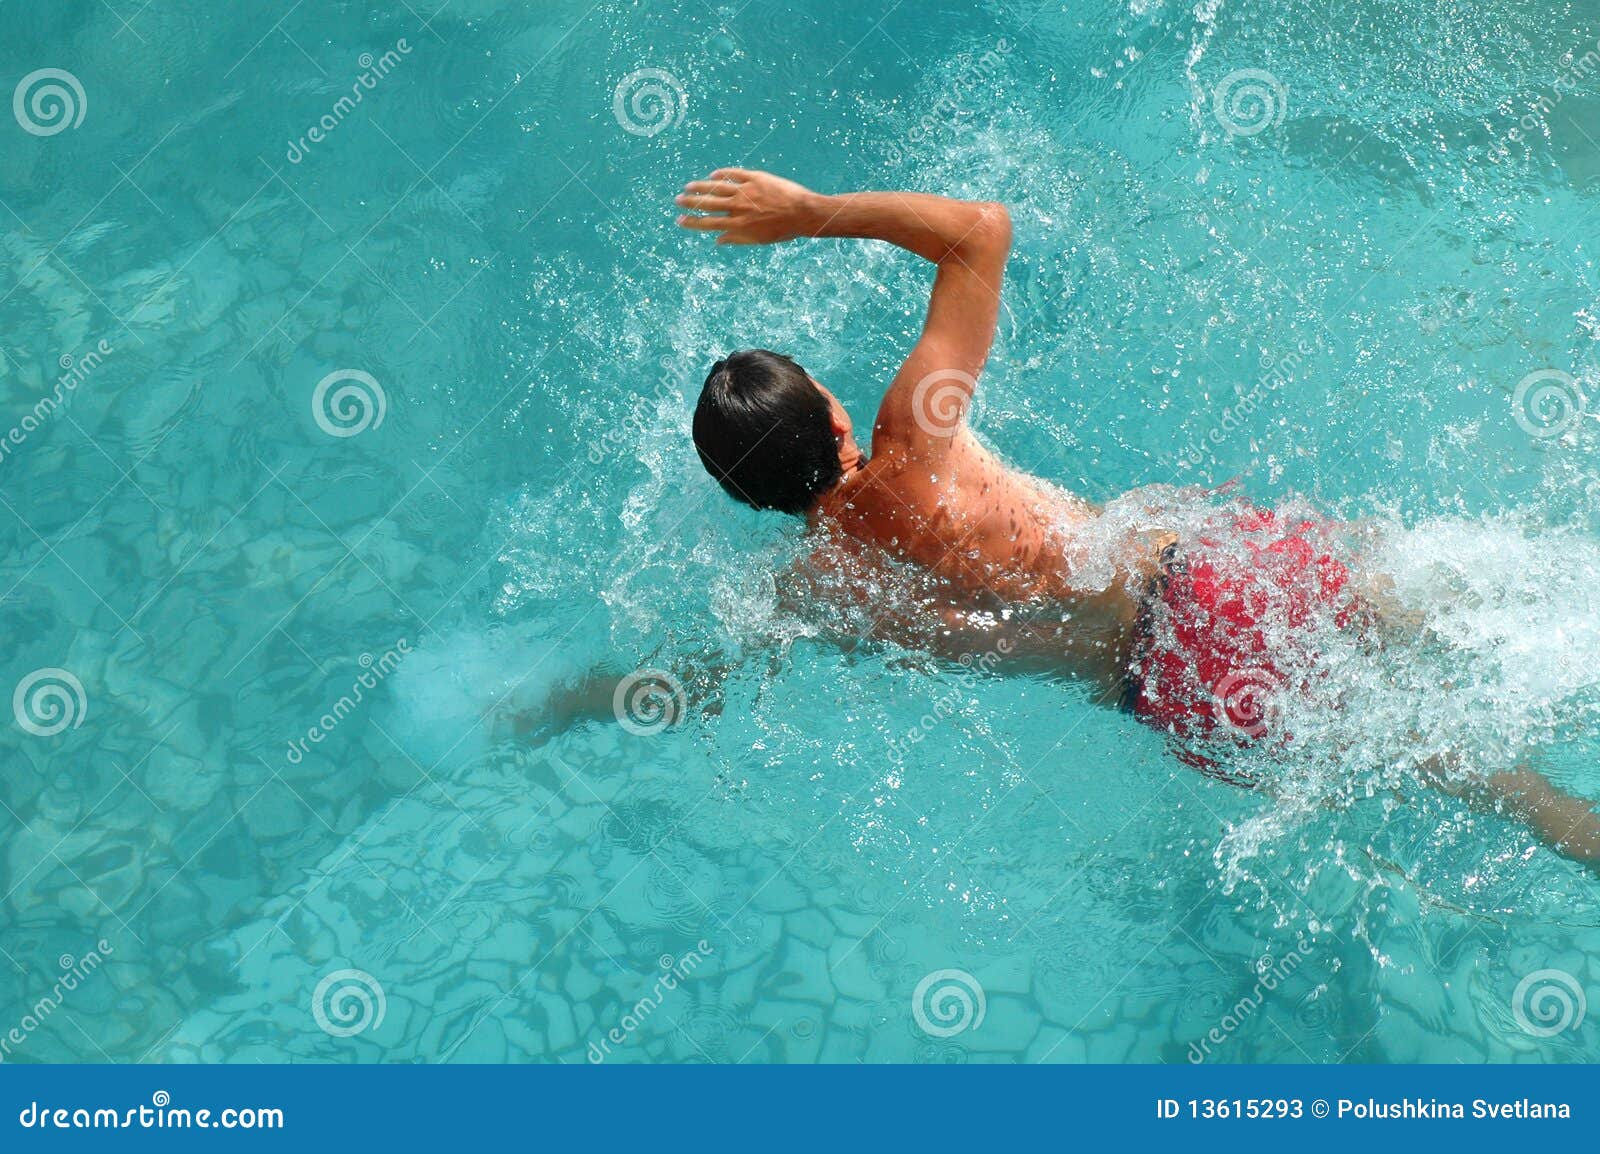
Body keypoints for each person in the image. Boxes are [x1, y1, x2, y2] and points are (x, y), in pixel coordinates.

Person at [554, 167, 1600, 867]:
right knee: (1456, 593)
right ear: (834, 417)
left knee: (1442, 757)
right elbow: (977, 234)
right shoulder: (912, 439)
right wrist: (809, 211)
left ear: (746, 497)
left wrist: (555, 700)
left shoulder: (811, 592)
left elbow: (688, 685)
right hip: (1199, 576)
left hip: (1167, 683)